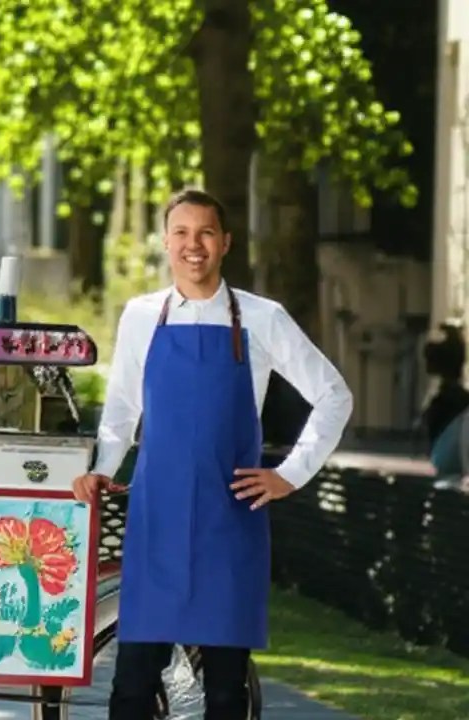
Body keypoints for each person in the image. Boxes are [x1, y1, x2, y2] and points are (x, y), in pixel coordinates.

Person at [72, 189, 354, 720]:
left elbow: (334, 395)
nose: (193, 244)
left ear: (225, 242)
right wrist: (101, 470)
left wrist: (290, 474)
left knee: (226, 691)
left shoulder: (263, 317)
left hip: (230, 522)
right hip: (158, 519)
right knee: (132, 685)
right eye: (181, 232)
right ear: (165, 242)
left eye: (205, 232)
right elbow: (122, 409)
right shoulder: (140, 316)